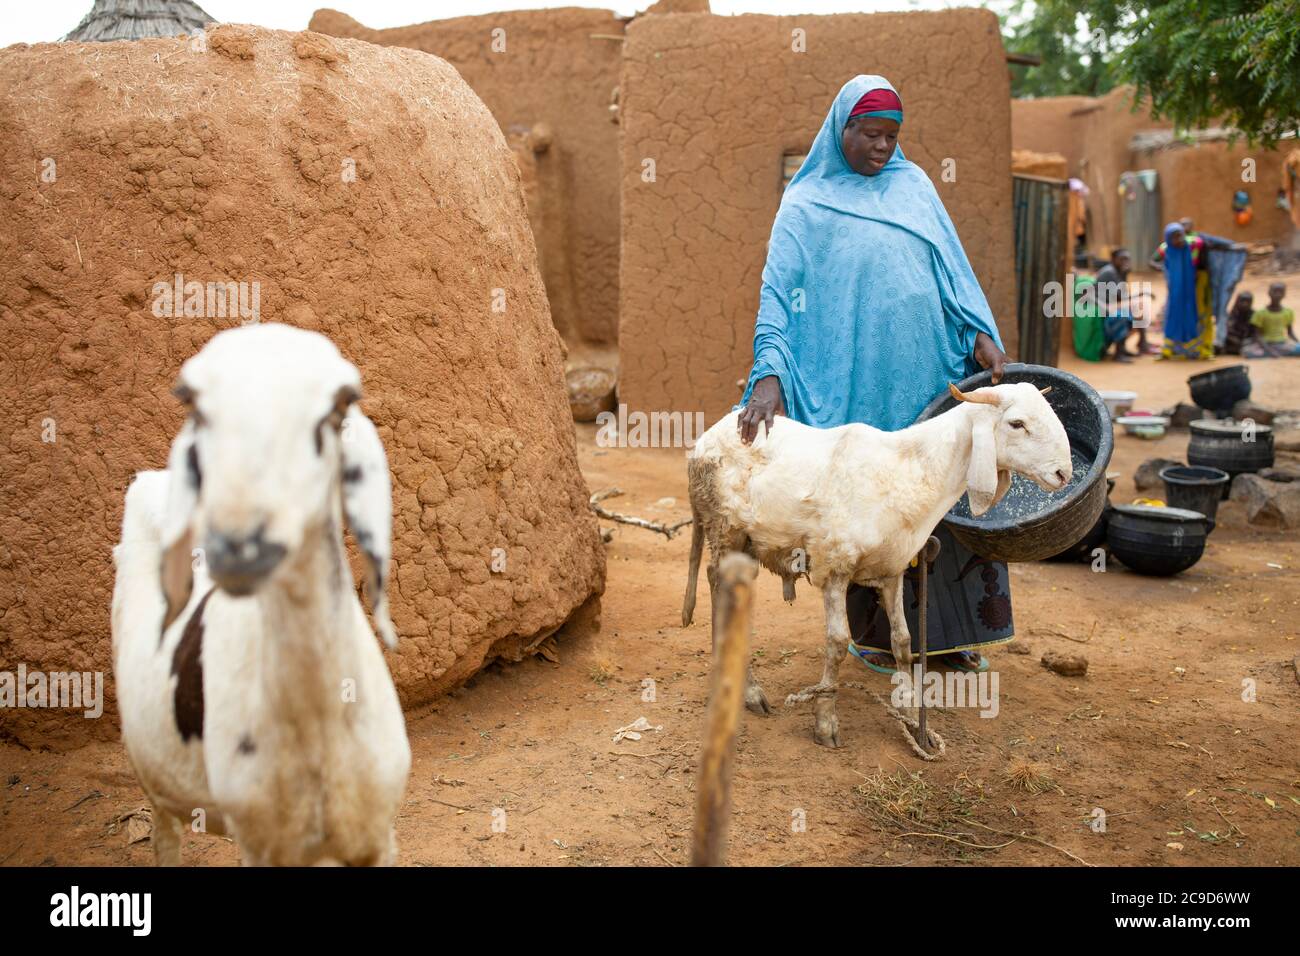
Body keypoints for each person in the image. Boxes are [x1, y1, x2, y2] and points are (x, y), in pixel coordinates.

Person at [736, 75, 1013, 675]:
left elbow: (954, 278)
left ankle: (953, 638)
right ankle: (878, 638)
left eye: (892, 136)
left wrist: (986, 342)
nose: (882, 147)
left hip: (931, 378)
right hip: (856, 385)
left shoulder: (915, 188)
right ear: (842, 130)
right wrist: (769, 375)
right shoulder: (805, 203)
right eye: (869, 134)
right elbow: (779, 297)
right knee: (872, 507)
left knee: (939, 501)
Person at [1151, 222, 1214, 359]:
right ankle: (1171, 350)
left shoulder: (1194, 245)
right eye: (1175, 237)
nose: (1179, 240)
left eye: (1181, 236)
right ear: (1168, 238)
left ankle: (1199, 350)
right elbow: (1152, 261)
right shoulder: (1166, 249)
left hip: (1195, 289)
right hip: (1175, 291)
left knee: (1196, 315)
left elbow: (1208, 259)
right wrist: (1164, 269)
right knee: (1173, 316)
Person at [1094, 248, 1135, 361]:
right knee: (1121, 315)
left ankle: (1125, 348)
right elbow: (1121, 296)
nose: (1125, 262)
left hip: (1109, 304)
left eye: (1127, 260)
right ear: (1113, 259)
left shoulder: (1117, 271)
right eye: (1122, 259)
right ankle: (1118, 353)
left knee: (1134, 311)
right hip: (1100, 306)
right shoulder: (1109, 272)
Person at [1245, 282, 1300, 357]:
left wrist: (1297, 343)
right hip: (1265, 344)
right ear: (1269, 293)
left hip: (1282, 344)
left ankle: (1276, 354)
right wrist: (1269, 350)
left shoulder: (1288, 312)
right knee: (1247, 352)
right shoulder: (1260, 313)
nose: (1277, 294)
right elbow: (1256, 335)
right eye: (1275, 291)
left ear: (1284, 294)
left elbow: (1290, 333)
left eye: (1280, 292)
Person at [1222, 291, 1255, 356]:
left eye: (1247, 302)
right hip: (1234, 342)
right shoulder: (1232, 315)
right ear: (1237, 302)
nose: (1245, 304)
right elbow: (1227, 331)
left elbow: (1256, 333)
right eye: (1242, 301)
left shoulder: (1253, 315)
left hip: (1247, 342)